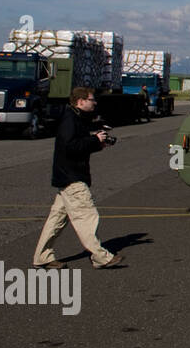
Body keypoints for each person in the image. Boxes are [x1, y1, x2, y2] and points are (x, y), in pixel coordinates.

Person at [32, 88, 123, 270]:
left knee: (56, 220)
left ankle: (42, 257)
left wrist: (98, 143)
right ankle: (100, 257)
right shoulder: (70, 119)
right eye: (91, 99)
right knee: (87, 216)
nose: (94, 102)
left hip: (67, 176)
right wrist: (94, 140)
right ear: (80, 101)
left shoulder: (76, 119)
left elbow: (78, 145)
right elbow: (69, 147)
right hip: (72, 177)